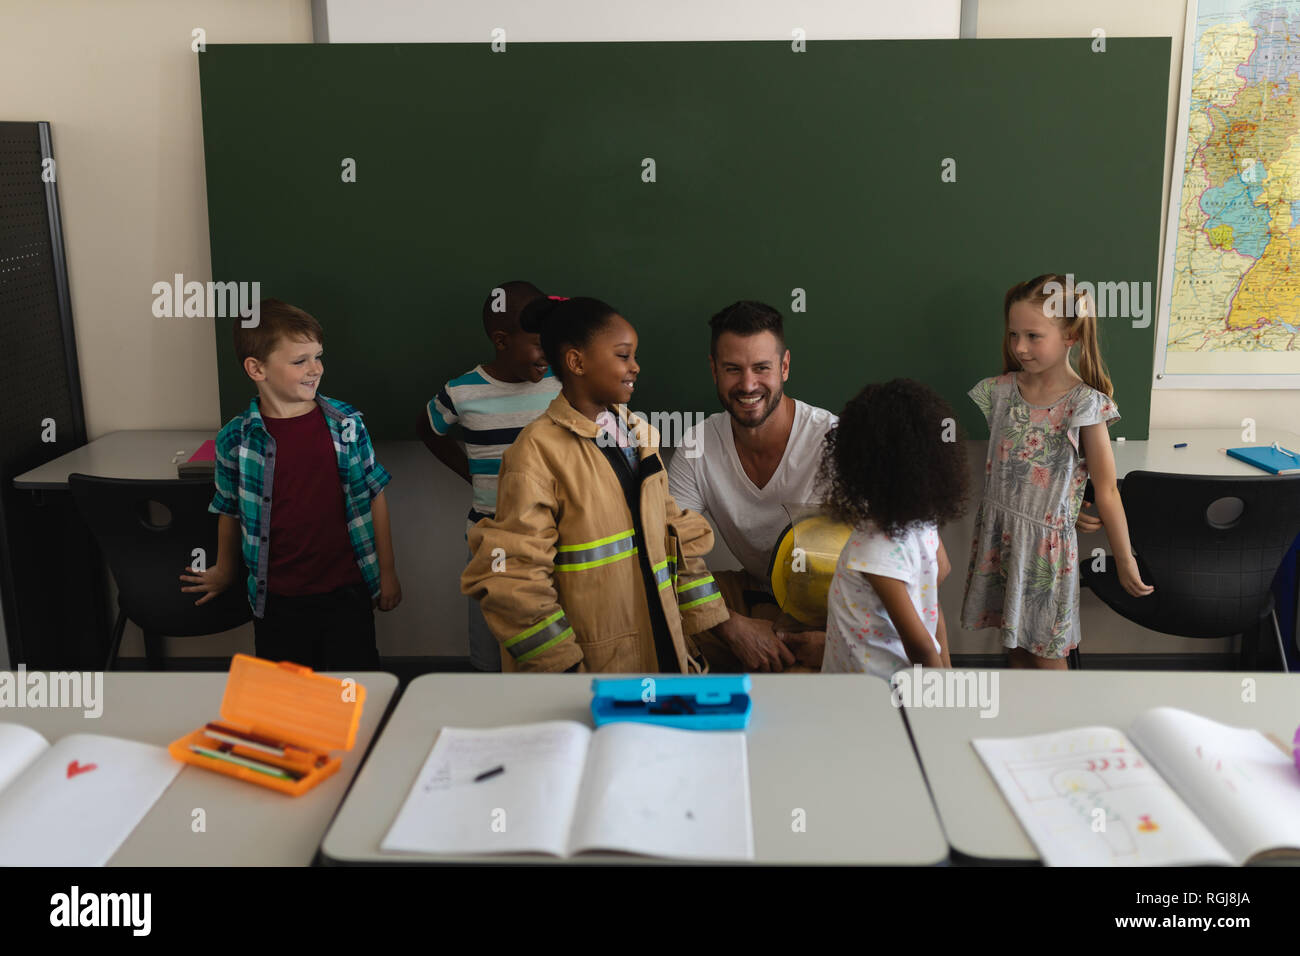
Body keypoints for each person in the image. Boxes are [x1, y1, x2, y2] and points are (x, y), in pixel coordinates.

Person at [461, 296, 728, 672]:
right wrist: (563, 669)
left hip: (663, 650)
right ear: (577, 362)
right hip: (593, 670)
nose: (635, 366)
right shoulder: (536, 454)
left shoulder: (638, 435)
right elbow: (515, 579)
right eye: (623, 355)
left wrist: (712, 625)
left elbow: (674, 534)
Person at [180, 299, 401, 669]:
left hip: (346, 590)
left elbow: (374, 494)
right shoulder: (236, 439)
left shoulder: (347, 424)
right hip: (277, 598)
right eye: (300, 361)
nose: (315, 369)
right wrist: (223, 569)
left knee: (355, 686)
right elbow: (228, 508)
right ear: (256, 368)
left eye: (318, 356)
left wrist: (388, 573)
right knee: (287, 699)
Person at [961, 274, 1153, 669]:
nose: (1019, 347)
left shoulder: (1084, 406)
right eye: (1014, 334)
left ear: (1070, 336)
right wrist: (1068, 498)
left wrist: (1123, 559)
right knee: (1014, 646)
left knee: (1046, 656)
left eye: (1033, 336)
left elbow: (1107, 489)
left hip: (1045, 555)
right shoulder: (998, 392)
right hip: (1003, 540)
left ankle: (1061, 729)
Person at [667, 301, 836, 672]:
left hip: (828, 606)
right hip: (749, 594)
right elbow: (666, 554)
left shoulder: (834, 440)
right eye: (732, 369)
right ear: (714, 370)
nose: (747, 385)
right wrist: (730, 625)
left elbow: (896, 557)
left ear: (785, 367)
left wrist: (841, 639)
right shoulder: (698, 445)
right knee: (655, 610)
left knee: (794, 686)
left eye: (762, 368)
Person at [418, 280, 561, 671]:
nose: (548, 354)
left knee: (553, 646)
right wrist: (471, 473)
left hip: (553, 538)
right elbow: (428, 429)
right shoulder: (462, 392)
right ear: (502, 340)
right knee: (489, 650)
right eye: (538, 344)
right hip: (490, 541)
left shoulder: (564, 387)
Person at [817, 380, 969, 678]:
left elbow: (921, 647)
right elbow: (934, 604)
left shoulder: (874, 549)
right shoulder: (924, 523)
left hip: (871, 699)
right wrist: (948, 679)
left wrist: (944, 698)